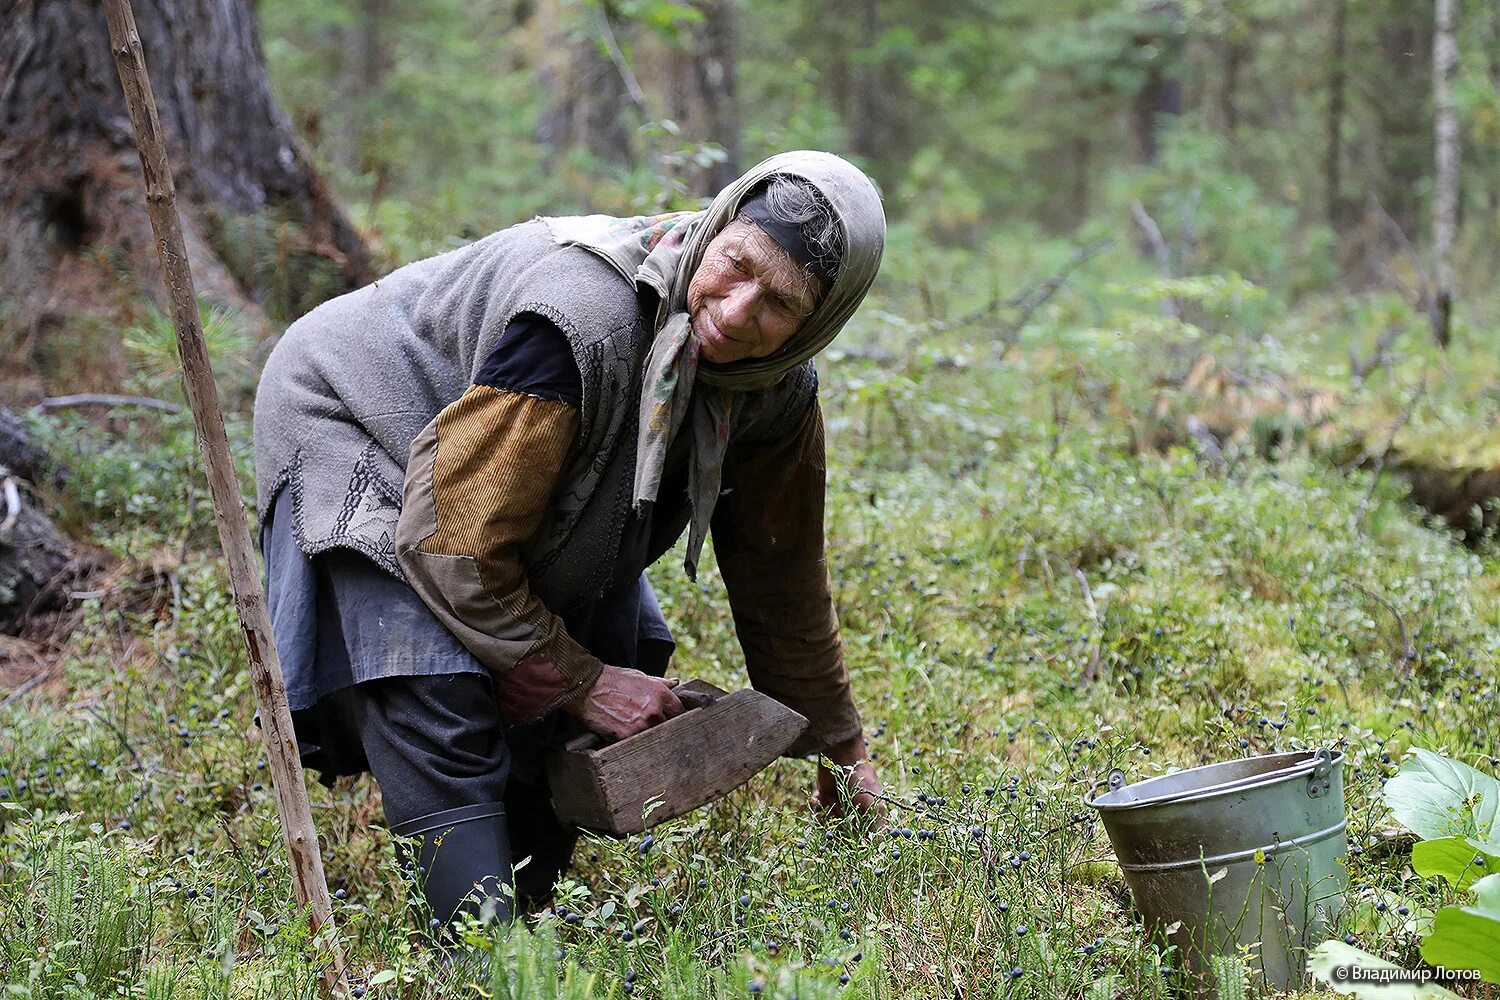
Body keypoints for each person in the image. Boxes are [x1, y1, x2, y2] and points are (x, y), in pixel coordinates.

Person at [252, 150, 886, 930]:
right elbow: (454, 537)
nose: (736, 308)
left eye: (780, 302)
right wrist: (581, 680)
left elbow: (780, 573)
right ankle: (482, 957)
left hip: (504, 471)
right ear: (718, 226)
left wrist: (840, 746)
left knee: (601, 642)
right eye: (737, 264)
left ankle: (526, 906)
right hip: (357, 411)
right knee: (437, 674)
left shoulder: (778, 391)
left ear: (818, 321)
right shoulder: (583, 322)